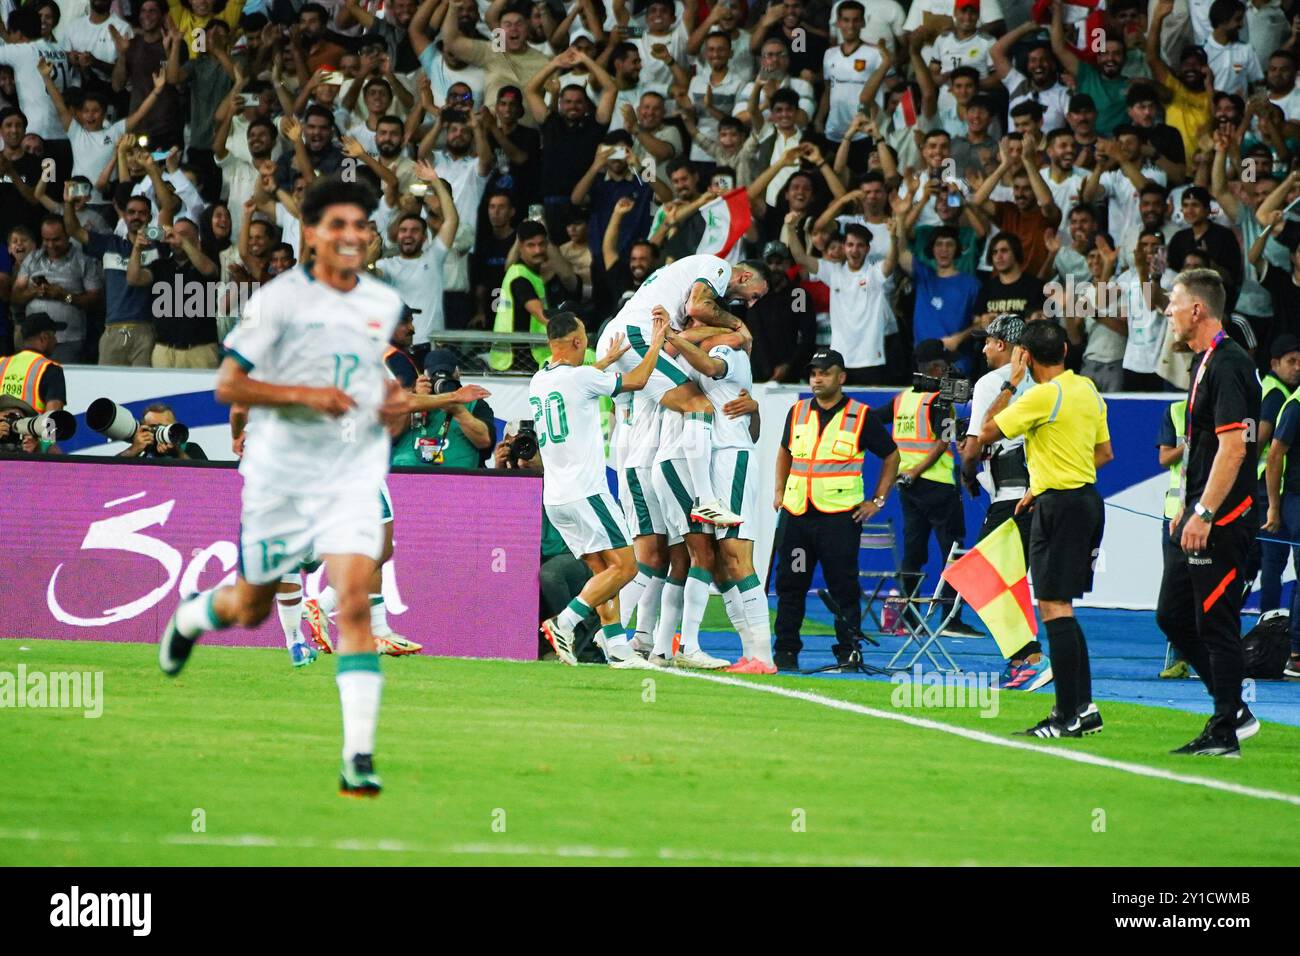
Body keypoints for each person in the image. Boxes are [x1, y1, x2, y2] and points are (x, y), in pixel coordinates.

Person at [159, 177, 410, 798]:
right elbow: (228, 387)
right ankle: (192, 617)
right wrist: (303, 396)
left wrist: (389, 404)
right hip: (280, 476)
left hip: (346, 474)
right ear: (313, 234)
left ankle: (358, 757)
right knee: (250, 608)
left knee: (353, 600)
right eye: (339, 225)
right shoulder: (277, 301)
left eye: (361, 225)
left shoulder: (380, 303)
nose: (352, 235)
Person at [979, 321, 1113, 738]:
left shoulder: (1041, 396)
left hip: (1060, 506)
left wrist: (1011, 382)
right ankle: (1084, 709)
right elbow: (1104, 453)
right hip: (1085, 501)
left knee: (1053, 607)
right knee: (1064, 607)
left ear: (1027, 357)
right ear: (1067, 353)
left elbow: (985, 431)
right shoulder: (1086, 389)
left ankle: (1066, 714)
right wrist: (1049, 482)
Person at [1154, 268, 1262, 756]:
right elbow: (1204, 449)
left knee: (1215, 622)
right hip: (1197, 513)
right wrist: (1186, 507)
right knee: (1174, 616)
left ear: (1197, 309)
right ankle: (1232, 707)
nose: (1167, 312)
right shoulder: (1206, 362)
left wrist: (1203, 511)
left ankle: (1225, 731)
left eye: (1173, 303)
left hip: (1222, 519)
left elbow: (1234, 448)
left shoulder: (1229, 364)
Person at [532, 309, 669, 667]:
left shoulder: (540, 379)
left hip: (556, 497)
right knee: (627, 568)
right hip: (586, 491)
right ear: (577, 342)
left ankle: (618, 648)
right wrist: (656, 343)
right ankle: (565, 622)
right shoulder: (580, 379)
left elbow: (581, 380)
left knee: (602, 571)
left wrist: (607, 360)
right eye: (585, 342)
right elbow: (638, 380)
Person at [599, 253, 769, 527]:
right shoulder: (720, 267)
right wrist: (737, 325)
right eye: (754, 295)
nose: (748, 302)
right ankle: (705, 501)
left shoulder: (683, 270)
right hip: (636, 335)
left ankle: (627, 493)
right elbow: (697, 307)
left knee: (628, 413)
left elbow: (682, 331)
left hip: (620, 339)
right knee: (699, 406)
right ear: (745, 277)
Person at [773, 348, 900, 671]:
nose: (817, 378)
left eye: (825, 372)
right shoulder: (798, 411)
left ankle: (848, 652)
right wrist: (779, 491)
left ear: (841, 377)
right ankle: (785, 651)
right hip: (798, 513)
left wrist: (878, 500)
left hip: (839, 517)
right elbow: (785, 451)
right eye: (814, 372)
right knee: (791, 585)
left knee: (843, 586)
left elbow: (891, 455)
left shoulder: (860, 416)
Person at [960, 315, 1052, 687]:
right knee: (1032, 582)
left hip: (1011, 497)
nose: (983, 349)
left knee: (985, 576)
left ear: (1003, 345)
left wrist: (967, 474)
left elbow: (974, 445)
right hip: (1046, 491)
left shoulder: (990, 384)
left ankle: (1029, 657)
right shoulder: (1048, 381)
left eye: (987, 342)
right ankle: (1030, 658)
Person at [881, 339, 977, 639]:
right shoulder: (940, 399)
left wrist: (901, 467)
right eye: (945, 365)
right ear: (936, 368)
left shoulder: (902, 399)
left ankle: (909, 619)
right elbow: (944, 440)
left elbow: (870, 422)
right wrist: (918, 469)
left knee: (913, 554)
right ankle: (950, 619)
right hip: (937, 488)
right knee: (954, 552)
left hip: (908, 490)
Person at [391, 348, 495, 468]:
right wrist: (418, 400)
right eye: (435, 375)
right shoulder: (410, 401)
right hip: (406, 480)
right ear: (424, 376)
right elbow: (390, 434)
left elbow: (485, 442)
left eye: (447, 375)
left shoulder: (473, 403)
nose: (441, 381)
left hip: (458, 481)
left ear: (457, 374)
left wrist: (457, 408)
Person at [0, 313, 67, 413]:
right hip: (30, 428)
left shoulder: (2, 363)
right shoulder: (50, 369)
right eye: (53, 336)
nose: (56, 341)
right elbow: (53, 419)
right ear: (44, 337)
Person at [116, 402, 206, 460]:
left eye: (165, 427)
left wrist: (178, 453)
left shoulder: (190, 448)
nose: (160, 430)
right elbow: (109, 472)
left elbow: (206, 478)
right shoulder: (143, 456)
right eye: (154, 427)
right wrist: (134, 449)